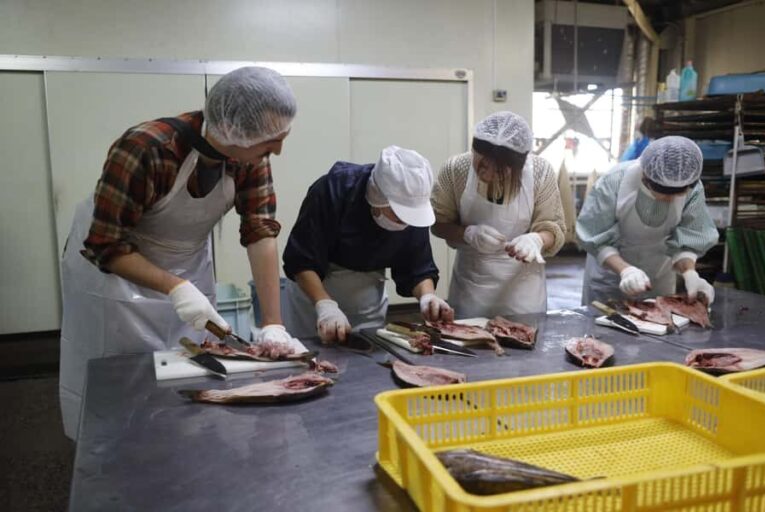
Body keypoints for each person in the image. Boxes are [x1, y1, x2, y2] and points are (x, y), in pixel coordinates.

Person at [59, 66, 297, 439]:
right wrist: (174, 286)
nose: (279, 151)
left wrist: (274, 324)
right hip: (113, 271)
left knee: (191, 364)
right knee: (122, 373)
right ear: (237, 131)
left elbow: (260, 233)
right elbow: (104, 243)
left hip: (186, 262)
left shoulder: (251, 158)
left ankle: (179, 446)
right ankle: (107, 455)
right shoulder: (146, 149)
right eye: (272, 141)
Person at [282, 146, 453, 343]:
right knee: (314, 361)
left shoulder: (412, 211)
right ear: (378, 196)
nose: (403, 223)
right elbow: (302, 260)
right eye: (398, 214)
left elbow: (417, 265)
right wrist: (325, 306)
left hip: (368, 302)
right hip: (313, 298)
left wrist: (427, 297)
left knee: (367, 364)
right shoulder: (332, 189)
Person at [431, 112, 566, 318]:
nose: (487, 175)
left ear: (519, 166)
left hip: (523, 289)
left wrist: (537, 239)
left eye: (500, 171)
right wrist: (468, 233)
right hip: (472, 285)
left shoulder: (540, 172)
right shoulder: (456, 170)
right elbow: (438, 224)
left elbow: (553, 228)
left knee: (523, 340)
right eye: (481, 165)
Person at [577, 135, 719, 305]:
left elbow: (689, 236)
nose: (668, 200)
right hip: (610, 276)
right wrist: (626, 271)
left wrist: (690, 273)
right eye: (663, 193)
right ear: (645, 176)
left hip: (659, 274)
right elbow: (595, 236)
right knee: (605, 325)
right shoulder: (614, 181)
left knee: (657, 324)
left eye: (676, 194)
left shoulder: (691, 187)